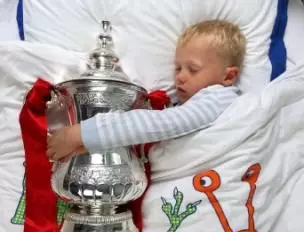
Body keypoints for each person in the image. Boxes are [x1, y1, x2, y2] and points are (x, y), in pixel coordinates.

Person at [47, 20, 246, 161]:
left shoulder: (220, 97)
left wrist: (81, 134)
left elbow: (161, 123)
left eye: (193, 69)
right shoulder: (192, 104)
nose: (180, 76)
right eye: (178, 68)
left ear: (228, 77)